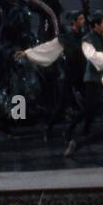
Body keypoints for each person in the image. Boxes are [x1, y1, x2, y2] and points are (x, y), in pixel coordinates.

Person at [15, 9, 87, 141]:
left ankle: (79, 130)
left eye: (83, 18)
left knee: (90, 102)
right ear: (74, 22)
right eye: (81, 19)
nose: (83, 21)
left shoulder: (85, 36)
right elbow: (48, 47)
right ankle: (49, 129)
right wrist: (27, 53)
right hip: (70, 75)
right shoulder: (66, 38)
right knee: (62, 106)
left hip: (82, 74)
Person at [64, 11, 103, 157]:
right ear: (96, 25)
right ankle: (74, 132)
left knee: (90, 109)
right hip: (93, 79)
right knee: (93, 108)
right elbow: (94, 58)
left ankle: (78, 133)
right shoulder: (88, 39)